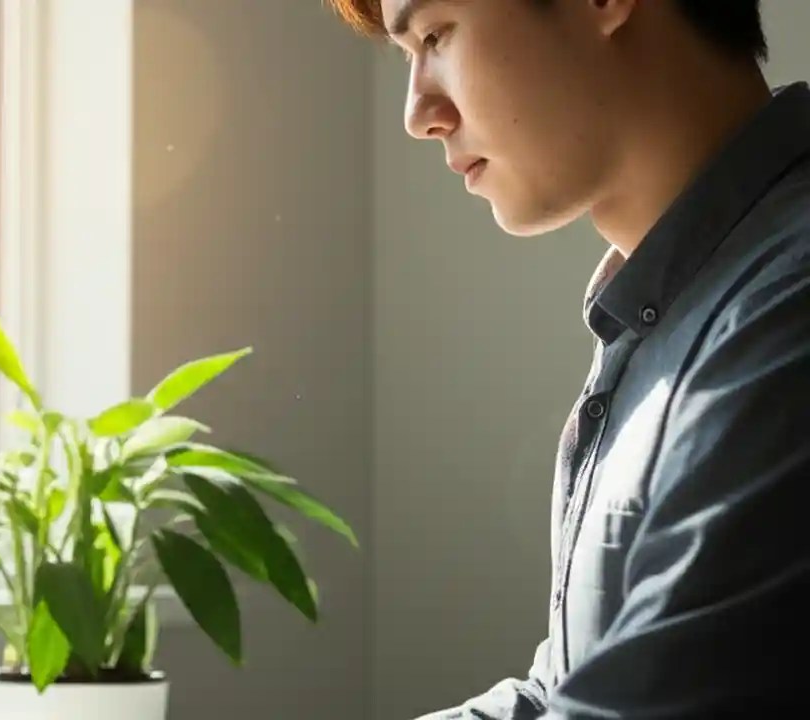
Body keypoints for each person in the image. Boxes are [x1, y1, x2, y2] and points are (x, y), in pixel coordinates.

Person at [330, 0, 810, 717]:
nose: (418, 114)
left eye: (435, 35)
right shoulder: (666, 311)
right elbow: (563, 688)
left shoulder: (784, 313)